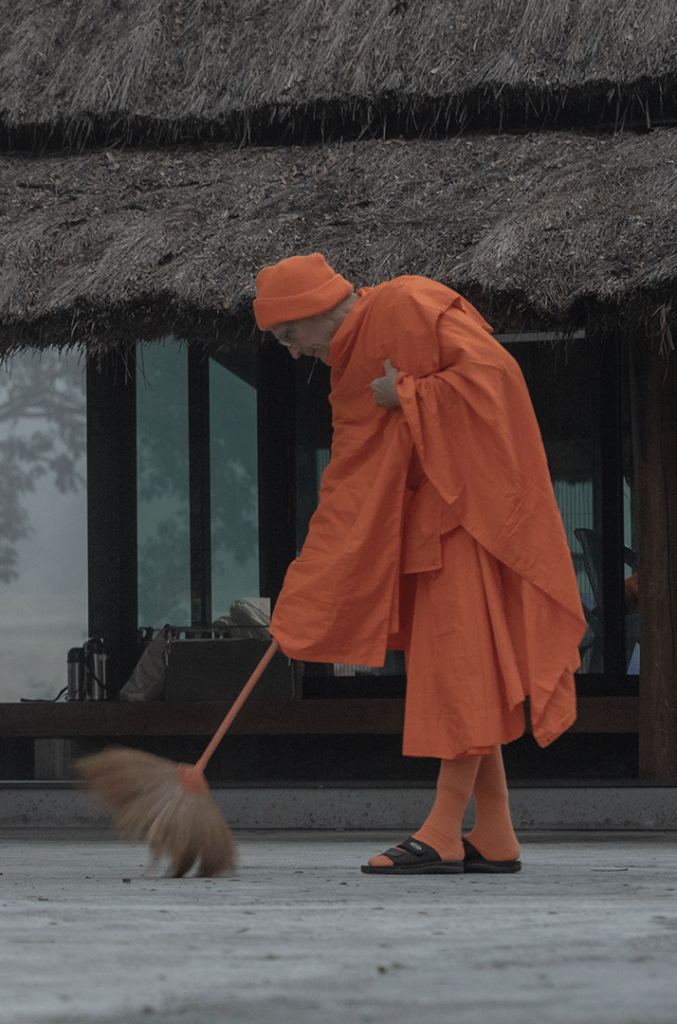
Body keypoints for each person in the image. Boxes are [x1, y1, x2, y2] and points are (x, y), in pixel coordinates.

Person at [253, 253, 586, 875]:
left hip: (468, 521)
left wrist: (407, 394)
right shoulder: (345, 369)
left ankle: (443, 831)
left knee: (460, 673)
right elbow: (351, 475)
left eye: (289, 335)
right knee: (464, 674)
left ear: (314, 309)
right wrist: (310, 583)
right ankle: (495, 832)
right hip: (425, 533)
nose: (293, 353)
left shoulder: (405, 302)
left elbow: (498, 376)